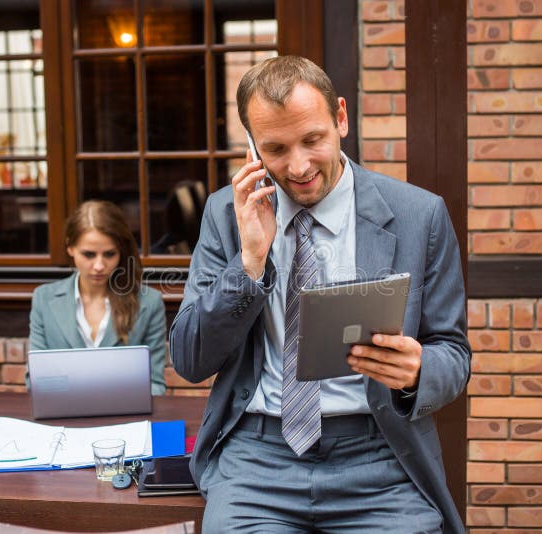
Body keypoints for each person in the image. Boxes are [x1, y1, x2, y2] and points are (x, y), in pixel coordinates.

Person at [170, 56, 471, 532]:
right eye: (275, 148)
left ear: (341, 118)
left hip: (379, 461)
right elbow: (189, 358)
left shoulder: (421, 215)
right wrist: (249, 261)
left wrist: (417, 371)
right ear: (251, 147)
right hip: (257, 459)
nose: (299, 165)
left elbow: (453, 354)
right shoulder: (227, 215)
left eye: (313, 140)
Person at [30, 200, 167, 395]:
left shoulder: (149, 302)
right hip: (64, 419)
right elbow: (36, 381)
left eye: (109, 254)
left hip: (125, 421)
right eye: (89, 254)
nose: (99, 266)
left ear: (121, 251)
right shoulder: (44, 299)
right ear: (70, 248)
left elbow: (155, 384)